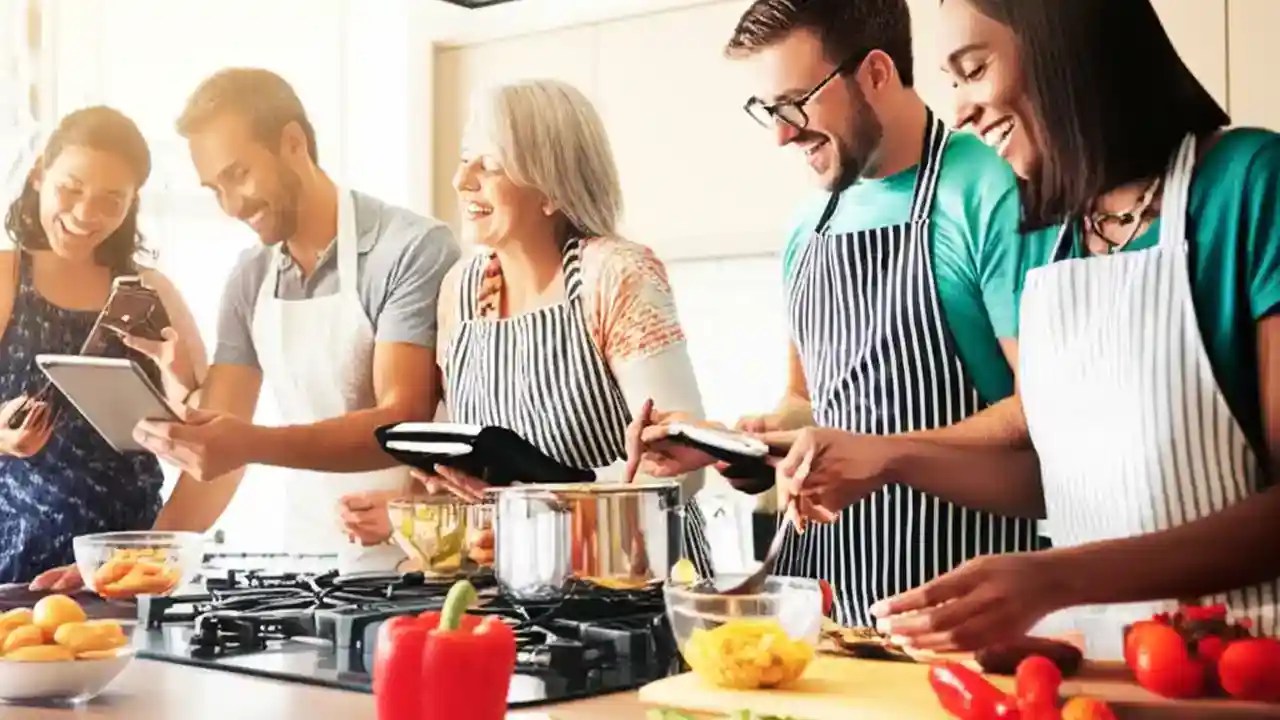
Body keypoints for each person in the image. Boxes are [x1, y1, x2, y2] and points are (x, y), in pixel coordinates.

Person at [779, 0, 1280, 656]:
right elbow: (1061, 479)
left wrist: (1055, 576)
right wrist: (888, 459)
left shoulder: (1248, 184)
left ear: (1064, 37)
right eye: (952, 82)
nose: (959, 110)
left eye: (974, 68)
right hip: (1090, 670)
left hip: (1234, 670)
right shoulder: (1051, 239)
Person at [629, 0, 1044, 627]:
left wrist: (883, 452)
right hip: (826, 610)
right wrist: (734, 446)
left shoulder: (988, 188)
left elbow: (1040, 409)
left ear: (876, 73)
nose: (781, 133)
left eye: (797, 102)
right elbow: (812, 404)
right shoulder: (806, 226)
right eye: (770, 110)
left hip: (965, 597)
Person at [339, 78, 715, 578]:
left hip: (636, 584)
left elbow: (683, 476)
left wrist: (536, 507)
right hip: (522, 590)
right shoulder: (461, 291)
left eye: (489, 165)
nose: (462, 180)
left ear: (551, 188)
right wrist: (414, 512)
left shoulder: (616, 275)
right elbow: (485, 492)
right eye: (464, 158)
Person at [117, 68, 456, 574]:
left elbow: (399, 421)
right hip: (309, 568)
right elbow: (219, 459)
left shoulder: (409, 250)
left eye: (239, 174)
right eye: (215, 189)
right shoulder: (250, 279)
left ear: (293, 143)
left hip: (423, 565)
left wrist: (248, 441)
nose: (231, 206)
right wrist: (133, 560)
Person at [1, 106, 208, 584]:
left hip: (130, 560)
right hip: (16, 558)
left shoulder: (151, 290)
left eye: (111, 200)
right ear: (38, 176)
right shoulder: (7, 277)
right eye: (70, 189)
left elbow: (205, 432)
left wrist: (178, 374)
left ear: (133, 203)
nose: (84, 215)